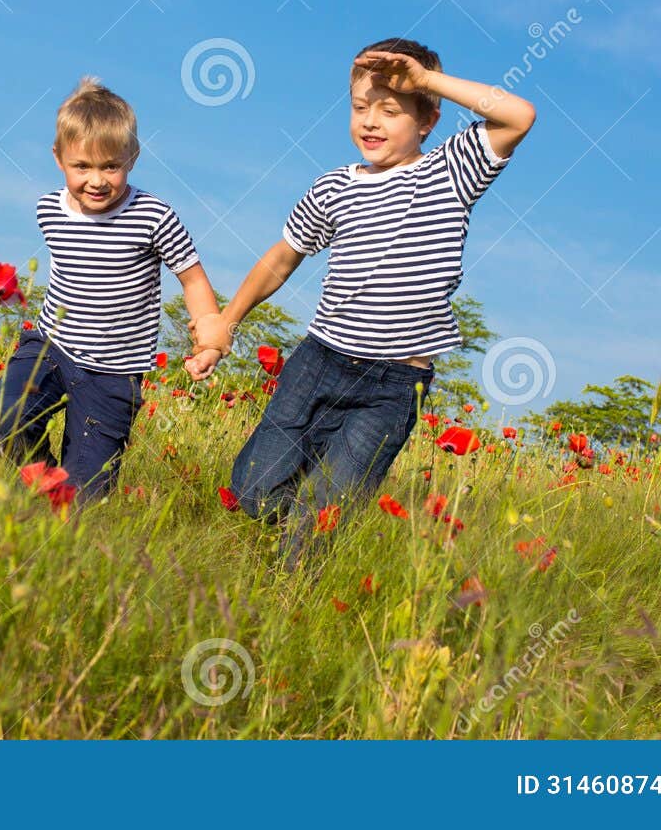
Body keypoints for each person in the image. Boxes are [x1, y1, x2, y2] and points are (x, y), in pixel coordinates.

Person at [190, 37, 537, 555]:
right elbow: (282, 258)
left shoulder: (450, 172)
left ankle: (293, 581)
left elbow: (518, 115)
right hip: (320, 361)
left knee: (324, 516)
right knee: (254, 490)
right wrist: (227, 321)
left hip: (392, 385)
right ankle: (278, 530)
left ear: (428, 120)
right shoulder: (333, 188)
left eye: (390, 110)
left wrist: (425, 79)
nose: (370, 122)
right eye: (359, 108)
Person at [0, 76, 223, 503]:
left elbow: (192, 278)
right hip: (50, 347)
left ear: (132, 157)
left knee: (87, 494)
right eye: (82, 167)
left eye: (110, 166)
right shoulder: (48, 209)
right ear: (58, 158)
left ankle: (66, 505)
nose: (96, 180)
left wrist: (209, 336)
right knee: (8, 413)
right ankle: (43, 483)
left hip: (113, 372)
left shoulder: (153, 216)